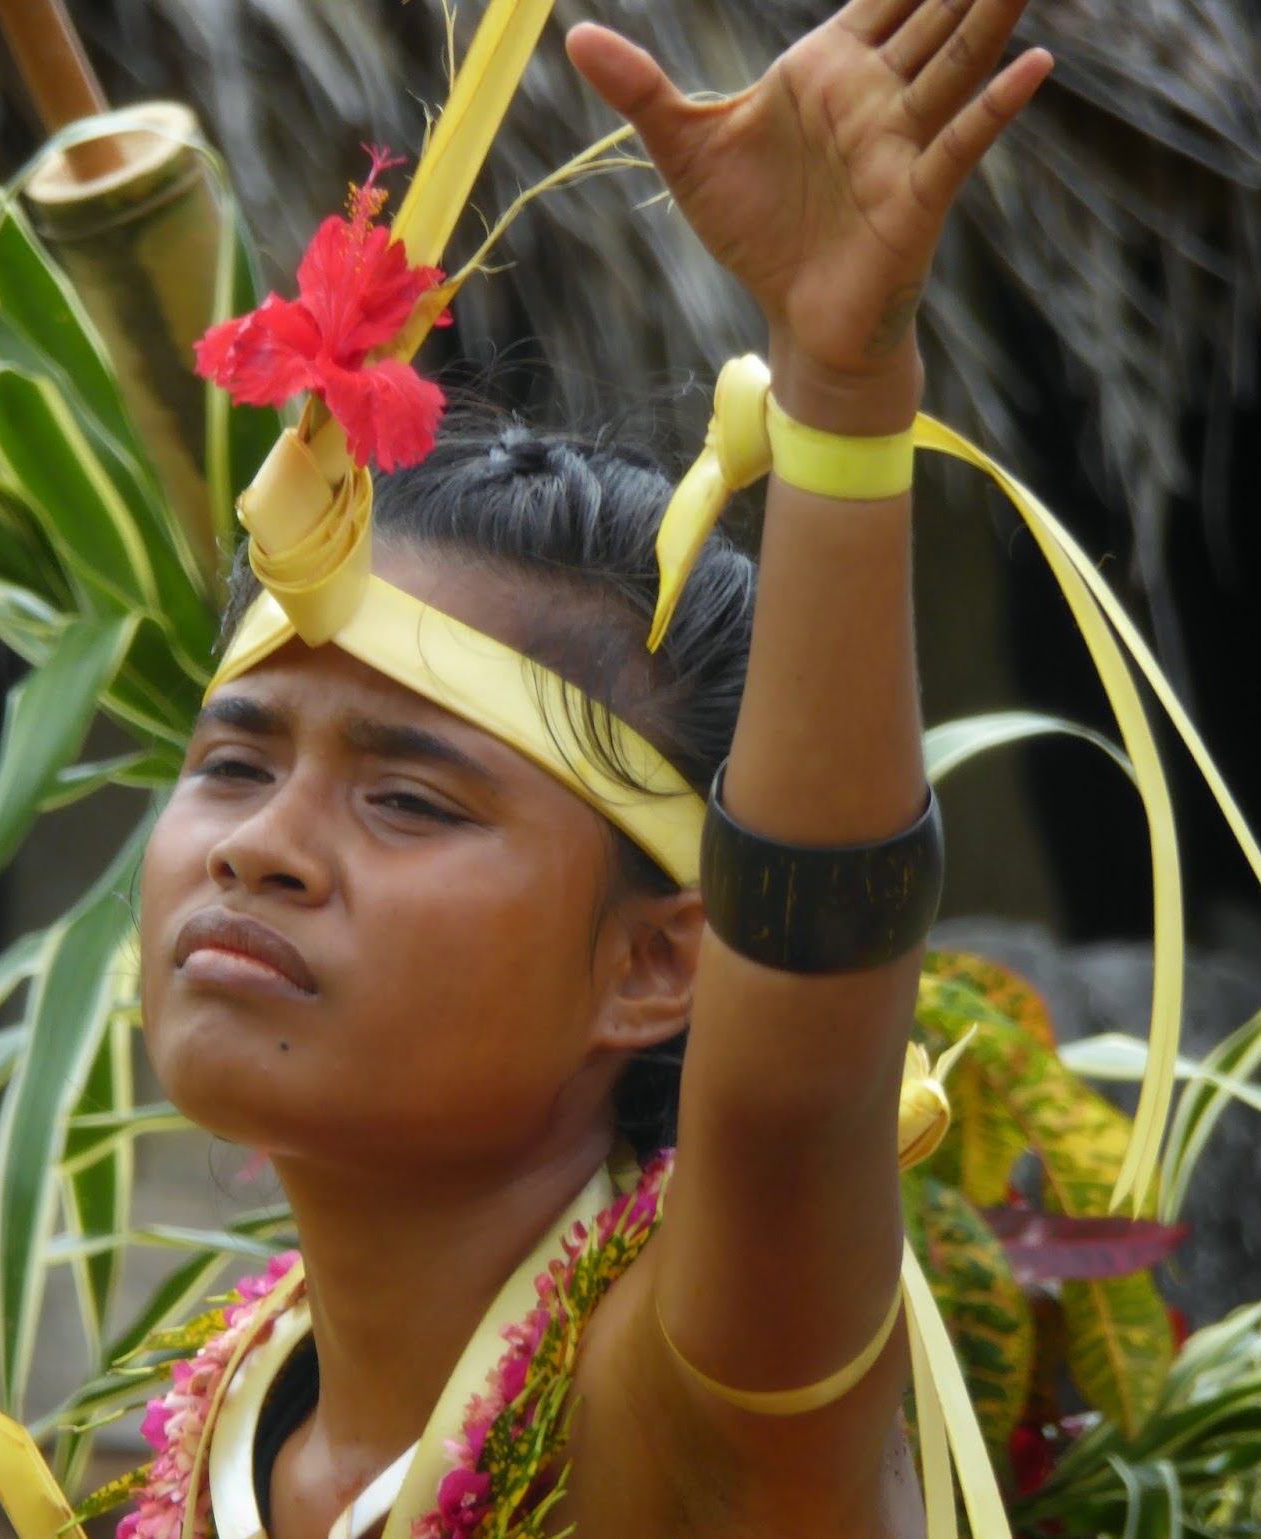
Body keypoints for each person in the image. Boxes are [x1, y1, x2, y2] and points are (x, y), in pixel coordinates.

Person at [127, 4, 1055, 1539]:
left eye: (409, 798)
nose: (259, 846)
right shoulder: (229, 1414)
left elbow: (801, 1064)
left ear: (657, 964)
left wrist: (840, 393)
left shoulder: (703, 1394)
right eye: (233, 762)